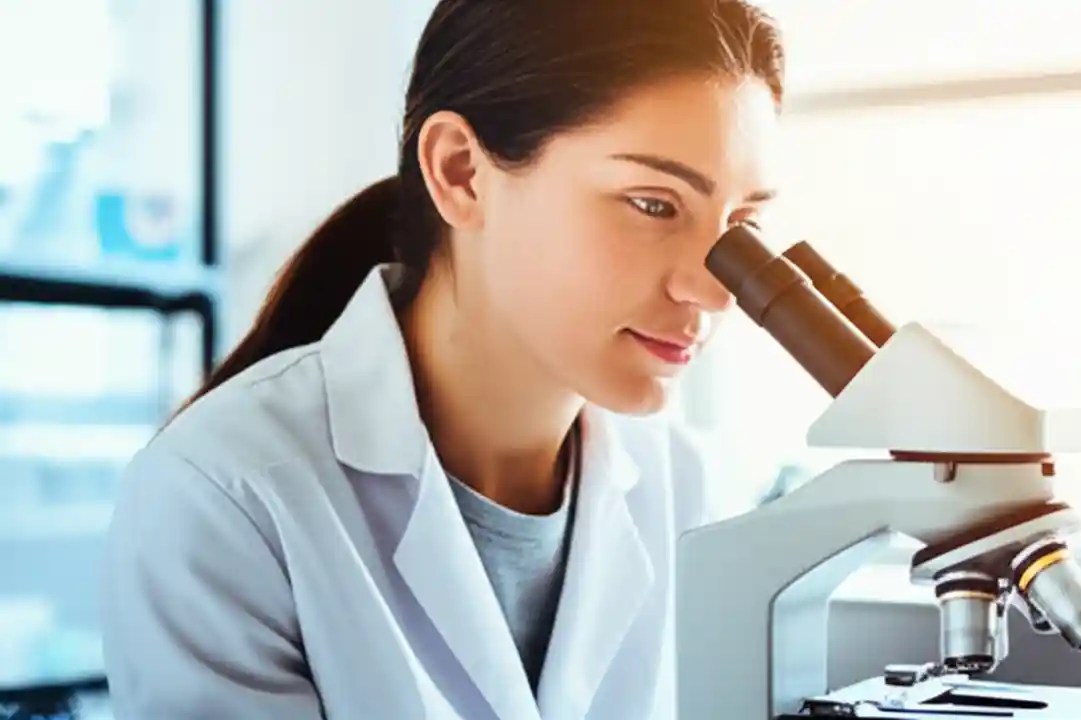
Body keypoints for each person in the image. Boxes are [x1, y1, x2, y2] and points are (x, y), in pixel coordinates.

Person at [102, 1, 785, 718]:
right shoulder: (224, 498)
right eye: (653, 205)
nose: (715, 290)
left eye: (742, 225)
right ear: (461, 172)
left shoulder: (690, 492)